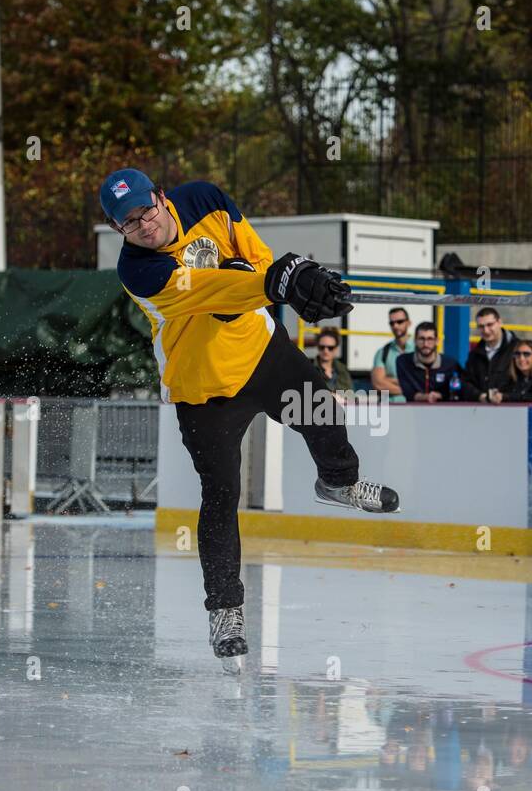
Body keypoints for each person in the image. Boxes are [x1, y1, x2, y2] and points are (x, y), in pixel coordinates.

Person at [100, 168, 398, 668]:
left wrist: (296, 280)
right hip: (203, 389)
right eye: (129, 223)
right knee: (221, 494)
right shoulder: (139, 272)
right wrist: (270, 282)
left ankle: (338, 482)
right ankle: (226, 610)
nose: (144, 225)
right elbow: (215, 291)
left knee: (322, 408)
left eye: (146, 210)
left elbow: (257, 256)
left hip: (261, 353)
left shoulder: (205, 199)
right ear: (119, 231)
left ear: (161, 197)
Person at [395, 321, 463, 402]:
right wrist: (426, 397)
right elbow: (407, 392)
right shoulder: (403, 362)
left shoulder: (451, 364)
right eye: (421, 339)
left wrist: (441, 395)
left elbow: (459, 391)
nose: (426, 344)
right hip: (413, 411)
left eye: (430, 339)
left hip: (444, 411)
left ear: (437, 341)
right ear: (415, 341)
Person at [461, 307, 517, 402]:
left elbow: (527, 383)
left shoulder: (518, 349)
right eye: (481, 326)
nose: (486, 330)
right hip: (482, 411)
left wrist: (504, 397)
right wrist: (480, 396)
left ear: (500, 322)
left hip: (513, 409)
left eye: (490, 325)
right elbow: (466, 383)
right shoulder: (474, 354)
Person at [370, 307, 413, 402]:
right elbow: (378, 383)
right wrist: (409, 389)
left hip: (414, 410)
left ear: (409, 323)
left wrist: (389, 380)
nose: (396, 326)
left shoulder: (419, 349)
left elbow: (424, 382)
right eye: (392, 323)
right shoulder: (383, 351)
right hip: (389, 409)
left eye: (400, 321)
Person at [314, 327, 353, 393]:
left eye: (330, 348)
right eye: (322, 347)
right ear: (317, 347)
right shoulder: (309, 369)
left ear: (336, 349)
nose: (325, 351)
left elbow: (351, 395)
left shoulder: (342, 370)